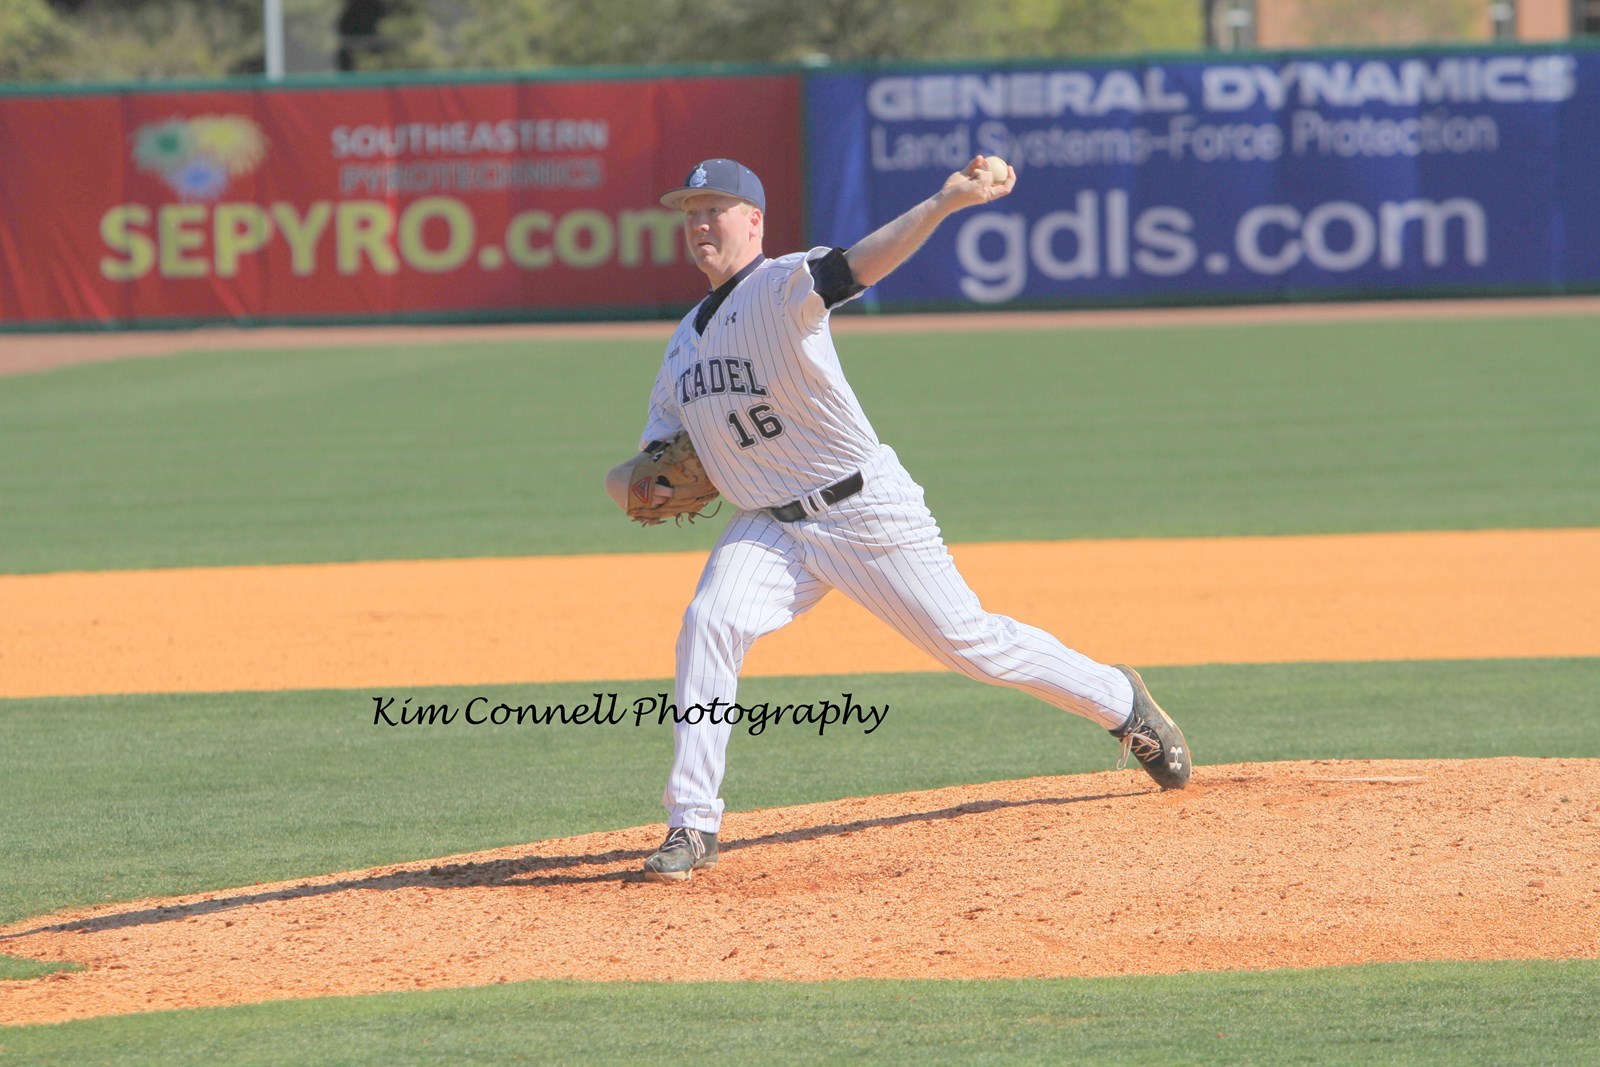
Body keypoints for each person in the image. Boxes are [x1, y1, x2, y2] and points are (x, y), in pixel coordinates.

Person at [605, 157, 1191, 883]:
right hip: (770, 524)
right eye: (690, 212)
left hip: (863, 509)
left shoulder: (782, 285)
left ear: (752, 221)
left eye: (713, 209)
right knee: (709, 621)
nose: (699, 223)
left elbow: (859, 265)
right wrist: (636, 486)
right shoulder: (681, 346)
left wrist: (943, 203)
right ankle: (692, 823)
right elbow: (646, 465)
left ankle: (1121, 702)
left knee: (974, 645)